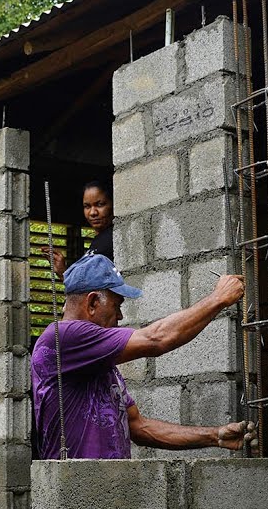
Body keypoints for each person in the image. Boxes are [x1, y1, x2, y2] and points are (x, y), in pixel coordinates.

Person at [32, 252, 254, 459]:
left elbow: (138, 426)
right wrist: (218, 299)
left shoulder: (98, 361)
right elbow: (156, 339)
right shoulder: (63, 337)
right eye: (116, 305)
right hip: (76, 491)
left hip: (109, 488)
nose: (119, 316)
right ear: (92, 303)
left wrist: (215, 436)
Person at [48, 179, 115, 276]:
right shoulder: (98, 242)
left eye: (100, 205)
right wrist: (63, 272)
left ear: (113, 204)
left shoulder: (114, 237)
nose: (93, 213)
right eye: (87, 206)